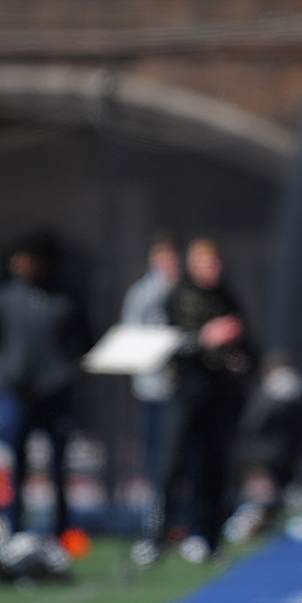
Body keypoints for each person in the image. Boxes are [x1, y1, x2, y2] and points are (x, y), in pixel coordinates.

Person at [0, 234, 90, 541]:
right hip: (17, 394)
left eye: (28, 259)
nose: (21, 265)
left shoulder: (65, 298)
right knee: (15, 464)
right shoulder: (7, 297)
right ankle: (14, 527)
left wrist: (68, 373)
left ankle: (60, 530)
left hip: (55, 394)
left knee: (58, 465)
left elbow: (85, 343)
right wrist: (4, 369)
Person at [161, 238, 253, 562]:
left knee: (215, 469)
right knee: (173, 466)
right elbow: (169, 342)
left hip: (221, 397)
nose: (211, 270)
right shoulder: (178, 297)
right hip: (185, 394)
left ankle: (209, 536)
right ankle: (162, 534)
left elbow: (250, 345)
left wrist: (239, 356)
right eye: (205, 263)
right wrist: (205, 338)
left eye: (215, 263)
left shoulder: (228, 298)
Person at [119, 238, 181, 561]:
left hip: (177, 390)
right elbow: (133, 335)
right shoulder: (144, 294)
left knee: (175, 463)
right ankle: (152, 529)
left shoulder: (181, 291)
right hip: (152, 390)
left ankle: (174, 527)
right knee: (155, 463)